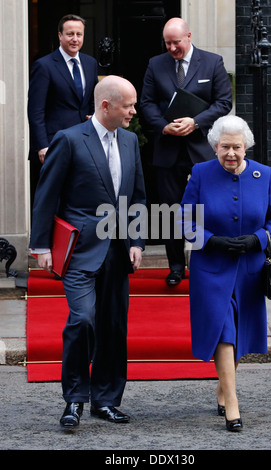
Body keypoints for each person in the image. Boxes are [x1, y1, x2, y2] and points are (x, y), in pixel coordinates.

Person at [29, 76, 146, 429]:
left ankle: (106, 401)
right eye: (128, 105)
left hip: (118, 250)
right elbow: (46, 194)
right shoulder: (68, 139)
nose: (133, 111)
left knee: (113, 326)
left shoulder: (130, 141)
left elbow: (137, 195)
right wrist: (40, 245)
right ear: (105, 106)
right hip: (80, 251)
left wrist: (138, 241)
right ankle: (75, 400)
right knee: (82, 320)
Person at [180, 115, 271, 432]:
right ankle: (234, 403)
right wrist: (211, 240)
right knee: (223, 328)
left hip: (250, 269)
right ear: (215, 147)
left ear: (246, 147)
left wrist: (258, 239)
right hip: (211, 267)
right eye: (225, 146)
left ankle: (223, 388)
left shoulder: (263, 174)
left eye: (236, 147)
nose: (231, 153)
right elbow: (183, 220)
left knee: (239, 333)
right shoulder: (200, 173)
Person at [140, 17, 232, 286]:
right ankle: (176, 267)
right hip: (168, 150)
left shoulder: (212, 62)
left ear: (188, 36)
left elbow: (223, 101)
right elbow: (146, 103)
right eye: (167, 43)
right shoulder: (155, 64)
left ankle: (206, 262)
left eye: (176, 42)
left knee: (208, 208)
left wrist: (196, 121)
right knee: (171, 211)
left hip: (201, 150)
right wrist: (163, 127)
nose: (171, 48)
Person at [27, 14, 99, 208]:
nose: (75, 39)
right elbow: (35, 110)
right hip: (54, 144)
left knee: (80, 197)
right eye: (70, 34)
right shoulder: (44, 65)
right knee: (54, 202)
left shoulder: (90, 63)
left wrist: (95, 116)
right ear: (60, 36)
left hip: (85, 142)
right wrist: (42, 145)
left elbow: (93, 99)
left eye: (79, 34)